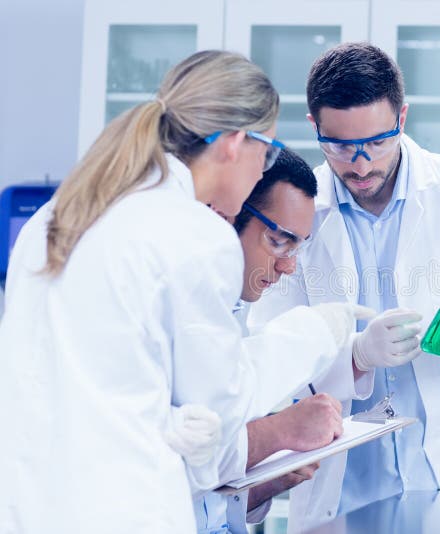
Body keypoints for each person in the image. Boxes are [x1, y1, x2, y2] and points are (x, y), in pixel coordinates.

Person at [0, 50, 364, 533]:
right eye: (268, 152)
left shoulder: (54, 218)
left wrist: (171, 427)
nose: (263, 171)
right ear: (236, 143)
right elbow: (222, 437)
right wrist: (319, 331)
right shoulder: (194, 235)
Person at [248, 42, 440, 531]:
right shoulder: (295, 214)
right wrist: (355, 355)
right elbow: (273, 352)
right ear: (315, 127)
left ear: (402, 117)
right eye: (340, 146)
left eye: (376, 142)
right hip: (347, 497)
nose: (360, 164)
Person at [196, 149, 350, 533]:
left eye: (298, 246)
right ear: (227, 215)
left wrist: (272, 480)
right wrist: (280, 431)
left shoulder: (230, 309)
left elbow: (205, 500)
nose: (289, 266)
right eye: (278, 241)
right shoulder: (184, 312)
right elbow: (179, 459)